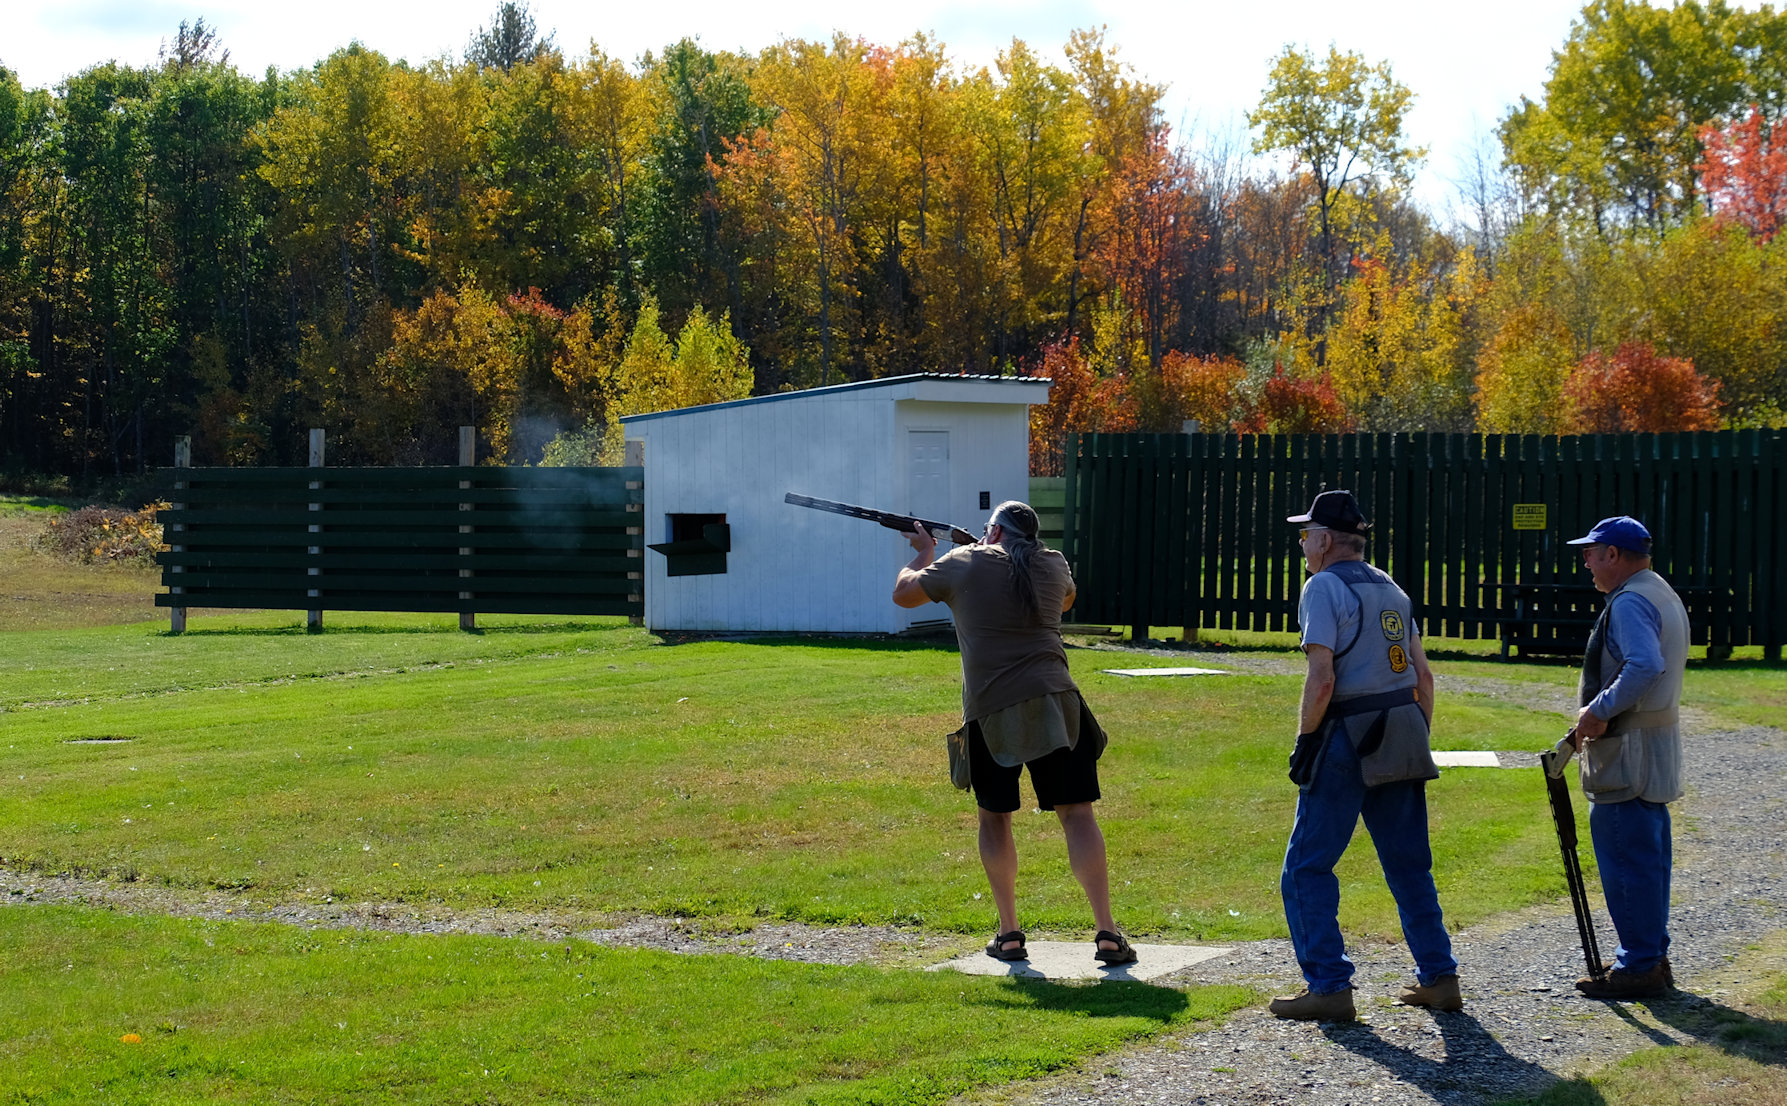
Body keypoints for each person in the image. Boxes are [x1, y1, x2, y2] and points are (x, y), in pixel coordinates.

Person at [892, 499, 1136, 966]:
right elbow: (1065, 598)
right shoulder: (1052, 562)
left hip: (990, 710)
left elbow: (904, 594)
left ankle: (1009, 934)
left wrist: (926, 551)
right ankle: (1107, 931)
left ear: (996, 533)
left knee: (994, 818)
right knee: (1078, 816)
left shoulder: (962, 562)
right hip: (1057, 702)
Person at [1270, 490, 1461, 1021]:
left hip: (1347, 730)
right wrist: (1416, 731)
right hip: (1403, 723)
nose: (1303, 543)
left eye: (1307, 534)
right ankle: (1440, 978)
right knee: (1409, 865)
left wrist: (1306, 740)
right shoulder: (1391, 588)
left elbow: (1323, 676)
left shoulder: (1322, 587)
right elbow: (1423, 675)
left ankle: (1329, 986)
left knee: (1306, 867)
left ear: (1326, 540)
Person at [1565, 515, 1688, 999]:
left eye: (1592, 552)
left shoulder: (1632, 600)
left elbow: (1645, 665)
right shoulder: (1659, 590)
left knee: (1627, 862)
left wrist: (1598, 710)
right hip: (1652, 751)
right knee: (1649, 861)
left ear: (1613, 555)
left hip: (1627, 753)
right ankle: (1651, 959)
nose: (1587, 561)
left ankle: (1638, 965)